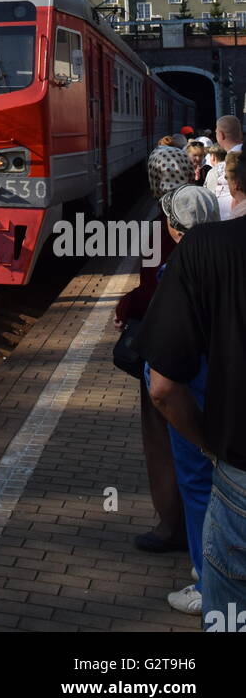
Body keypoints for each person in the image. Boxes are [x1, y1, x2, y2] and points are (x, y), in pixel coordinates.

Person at [141, 148, 246, 631]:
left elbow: (164, 386)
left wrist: (206, 440)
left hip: (238, 462)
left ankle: (205, 583)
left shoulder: (205, 252)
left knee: (229, 613)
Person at [142, 185, 220, 614]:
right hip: (215, 384)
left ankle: (208, 580)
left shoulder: (180, 268)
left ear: (174, 228)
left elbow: (165, 383)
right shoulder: (224, 258)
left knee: (196, 483)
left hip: (189, 387)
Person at [117, 145, 193, 553]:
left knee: (161, 441)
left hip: (163, 350)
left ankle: (171, 526)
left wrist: (125, 305)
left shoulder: (161, 226)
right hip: (202, 350)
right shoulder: (207, 210)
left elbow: (152, 292)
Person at [212, 115, 243, 219]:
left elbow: (240, 194)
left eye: (216, 132)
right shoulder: (238, 155)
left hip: (235, 222)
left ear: (221, 135)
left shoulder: (236, 160)